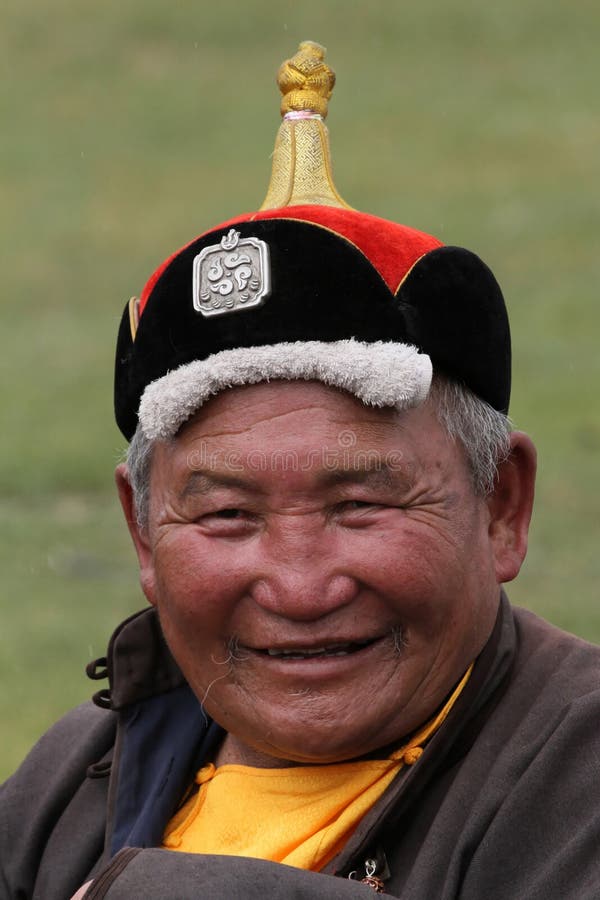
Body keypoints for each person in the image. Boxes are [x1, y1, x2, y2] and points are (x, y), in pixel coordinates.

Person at [2, 41, 600, 900]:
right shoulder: (78, 774)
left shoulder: (575, 774)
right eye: (227, 516)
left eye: (359, 504)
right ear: (143, 532)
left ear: (500, 504)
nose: (298, 586)